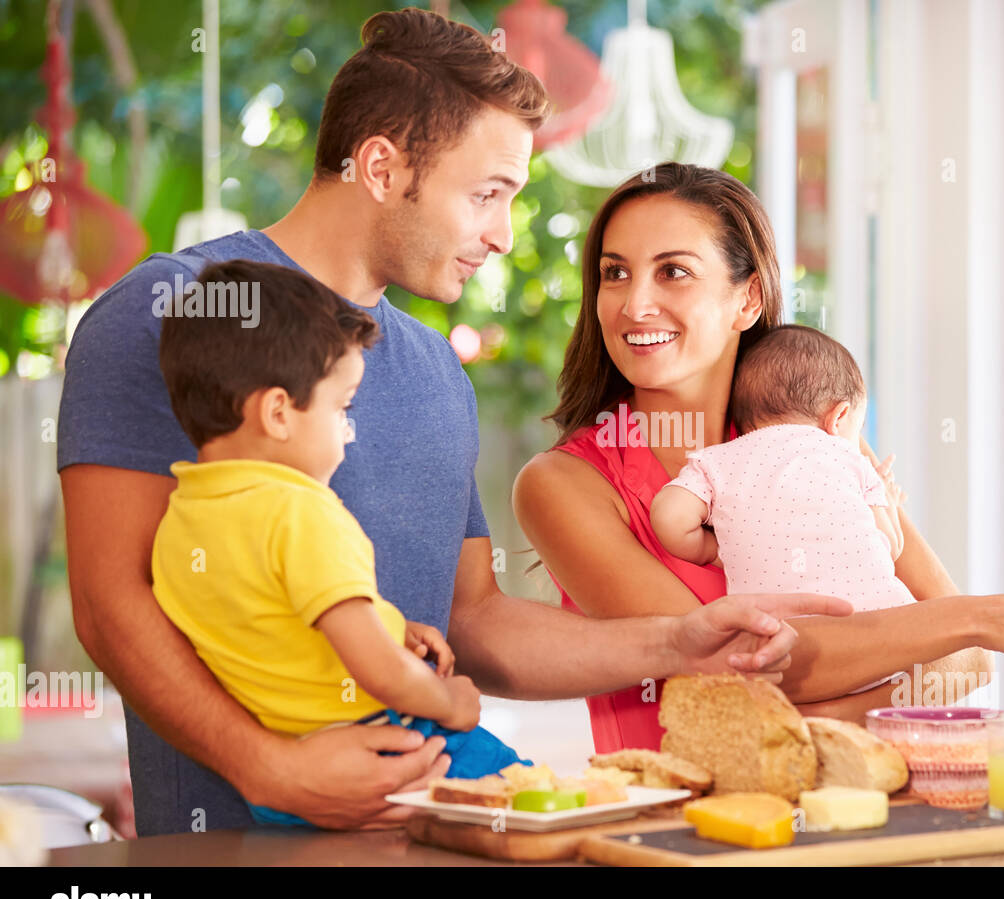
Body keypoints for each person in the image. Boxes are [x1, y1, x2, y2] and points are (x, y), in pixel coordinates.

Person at [57, 10, 848, 835]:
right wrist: (271, 769)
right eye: (486, 195)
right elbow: (110, 602)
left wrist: (680, 642)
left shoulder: (434, 372)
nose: (503, 236)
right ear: (379, 166)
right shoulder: (171, 314)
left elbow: (473, 622)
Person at [512, 162, 1004, 752]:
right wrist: (973, 621)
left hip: (862, 815)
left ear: (749, 300)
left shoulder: (819, 434)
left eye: (673, 271)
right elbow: (738, 668)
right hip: (689, 840)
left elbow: (968, 664)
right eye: (615, 272)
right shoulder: (566, 485)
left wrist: (953, 638)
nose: (634, 303)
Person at [152, 259, 532, 826]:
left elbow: (275, 622)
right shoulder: (303, 511)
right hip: (397, 742)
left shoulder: (182, 521)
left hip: (288, 783)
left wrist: (388, 622)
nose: (349, 431)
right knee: (542, 807)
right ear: (279, 412)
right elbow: (378, 672)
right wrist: (450, 702)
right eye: (342, 407)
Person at [650, 324, 914, 694]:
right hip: (883, 640)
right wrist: (886, 497)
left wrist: (715, 549)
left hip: (777, 653)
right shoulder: (850, 457)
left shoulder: (718, 461)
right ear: (838, 418)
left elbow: (670, 519)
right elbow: (890, 545)